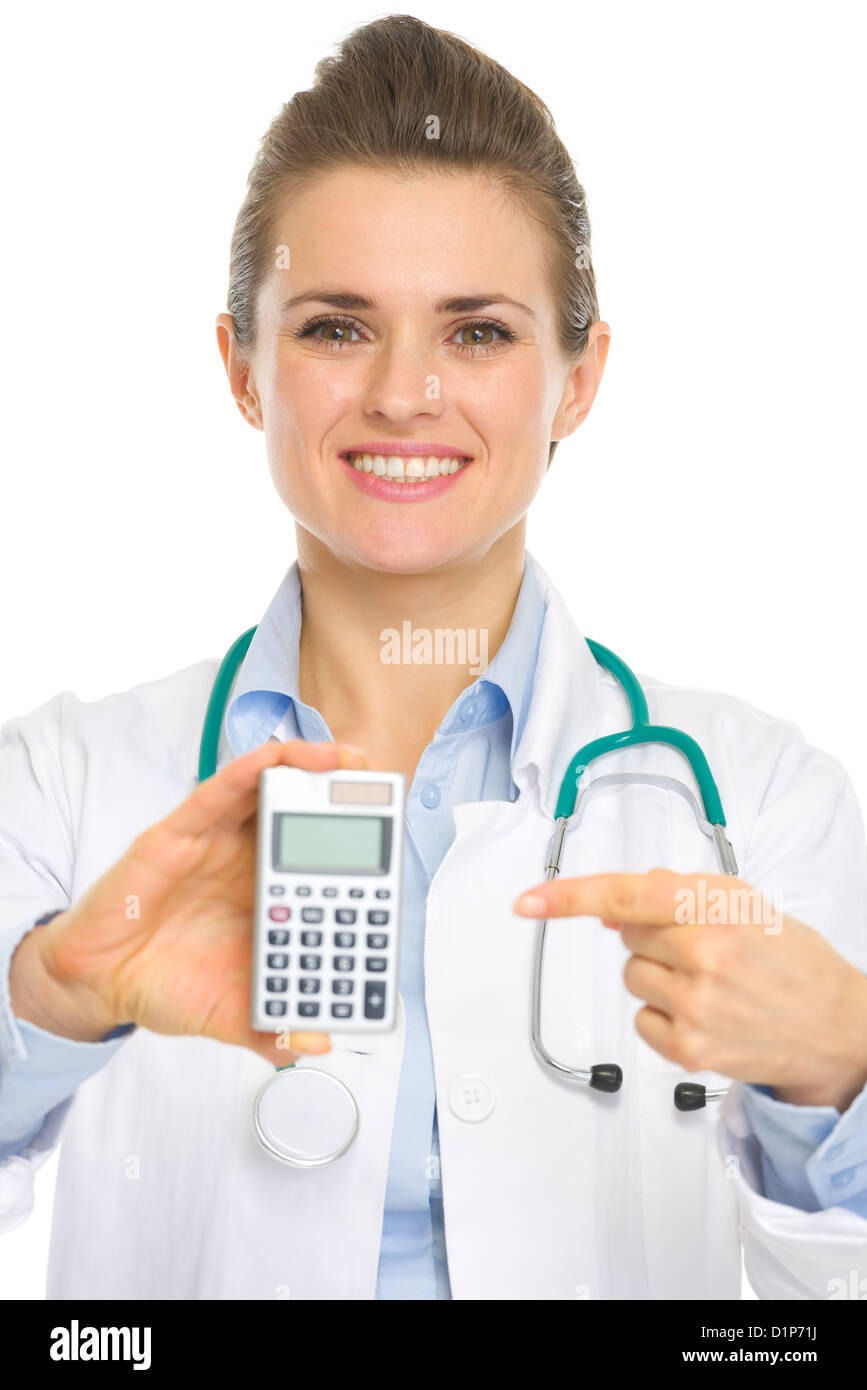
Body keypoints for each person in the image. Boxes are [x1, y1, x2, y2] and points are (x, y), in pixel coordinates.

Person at [2, 14, 866, 1301]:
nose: (405, 393)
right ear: (241, 367)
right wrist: (47, 1012)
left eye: (478, 332)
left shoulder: (757, 801)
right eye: (337, 327)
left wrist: (840, 1073)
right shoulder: (64, 782)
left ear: (580, 380)